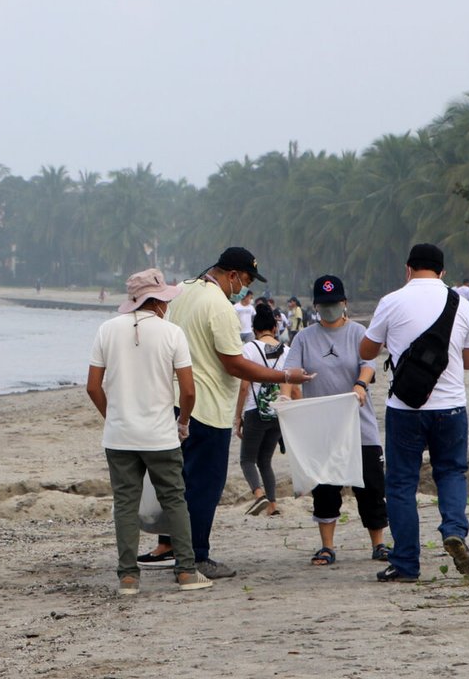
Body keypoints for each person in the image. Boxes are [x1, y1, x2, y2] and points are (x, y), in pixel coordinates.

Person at [136, 247, 311, 580]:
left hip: (175, 399)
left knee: (178, 480)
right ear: (232, 275)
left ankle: (169, 545)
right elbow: (234, 363)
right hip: (208, 407)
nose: (246, 288)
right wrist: (285, 375)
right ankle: (197, 556)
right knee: (205, 485)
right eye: (245, 280)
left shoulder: (184, 289)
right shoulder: (219, 306)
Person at [361, 243, 469, 583]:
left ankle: (406, 564)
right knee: (452, 473)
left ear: (408, 269)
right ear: (442, 272)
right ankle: (453, 530)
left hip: (405, 408)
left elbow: (366, 349)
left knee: (401, 484)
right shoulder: (461, 304)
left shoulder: (392, 300)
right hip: (452, 407)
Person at [86, 270, 211, 596]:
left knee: (125, 503)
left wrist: (111, 415)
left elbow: (92, 386)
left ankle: (128, 577)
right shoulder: (172, 334)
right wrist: (182, 422)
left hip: (119, 435)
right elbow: (188, 391)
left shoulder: (107, 330)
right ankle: (186, 571)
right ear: (157, 301)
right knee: (174, 499)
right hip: (160, 435)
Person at [284, 274, 389, 565]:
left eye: (334, 303)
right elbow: (290, 373)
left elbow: (369, 364)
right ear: (316, 306)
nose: (329, 308)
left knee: (371, 488)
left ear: (344, 303)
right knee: (326, 489)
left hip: (360, 426)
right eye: (324, 304)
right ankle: (327, 546)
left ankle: (379, 544)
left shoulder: (358, 333)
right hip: (323, 428)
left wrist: (360, 385)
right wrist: (285, 397)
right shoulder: (304, 338)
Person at [235, 305, 288, 518]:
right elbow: (292, 388)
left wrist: (237, 415)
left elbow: (244, 386)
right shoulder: (287, 351)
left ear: (255, 328)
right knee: (265, 460)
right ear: (275, 328)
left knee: (247, 459)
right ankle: (272, 505)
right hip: (278, 412)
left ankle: (259, 495)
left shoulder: (249, 349)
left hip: (254, 410)